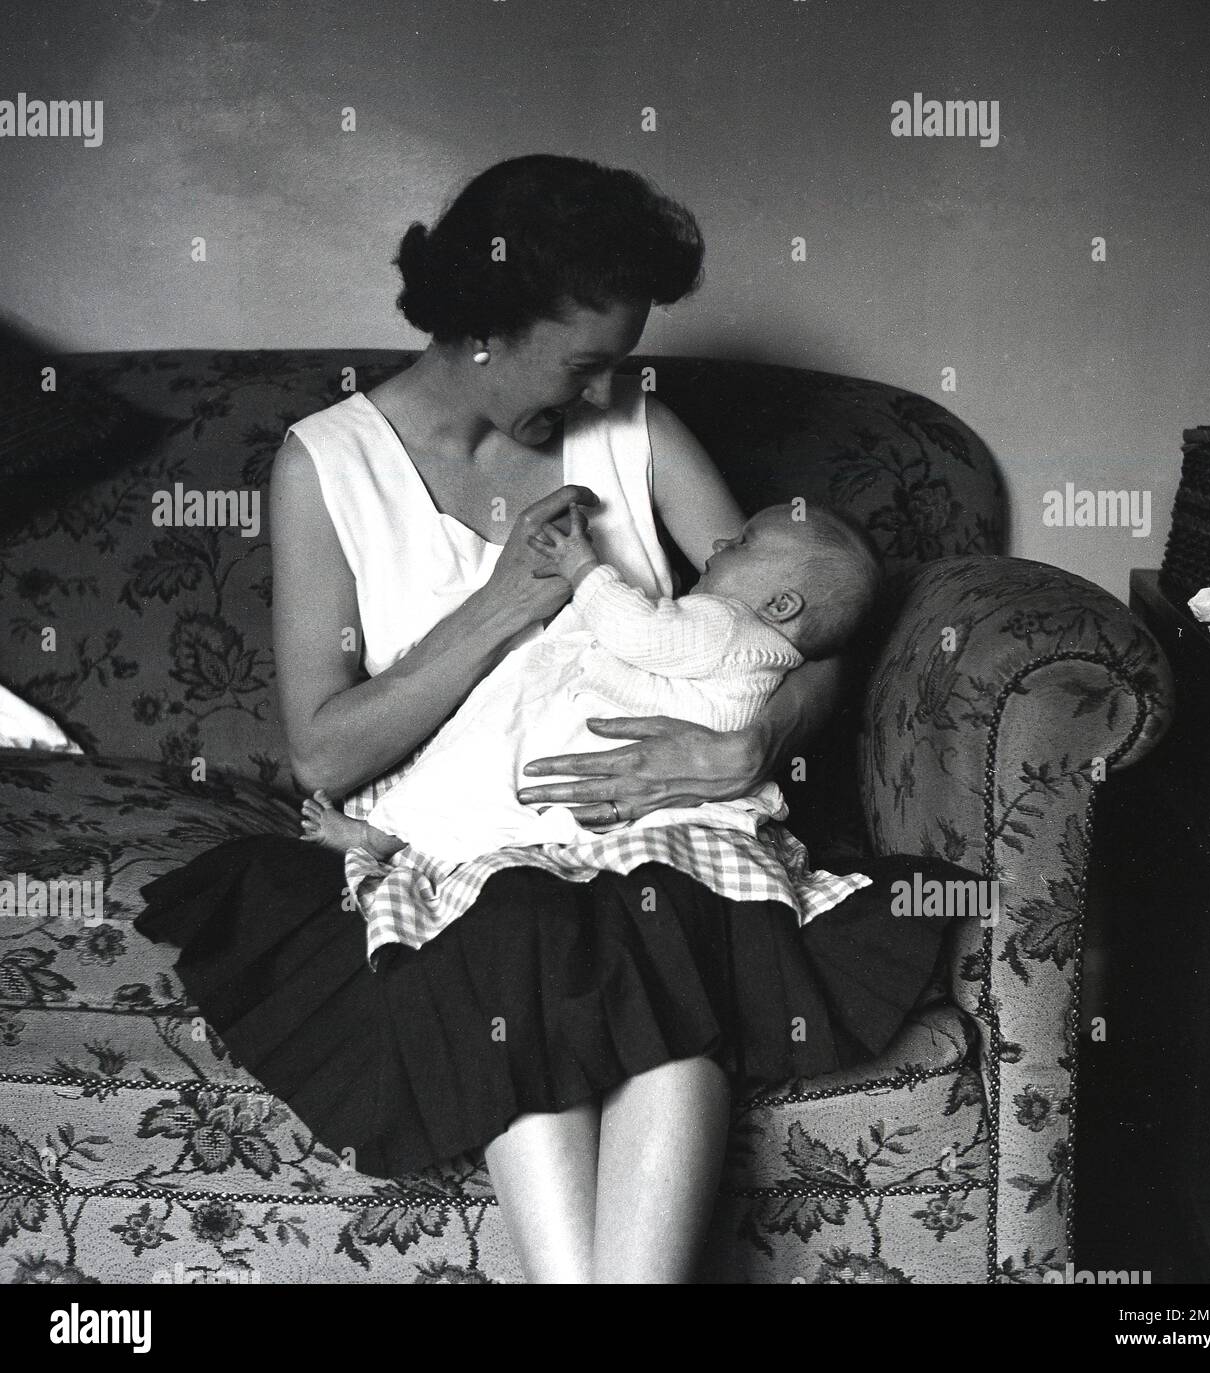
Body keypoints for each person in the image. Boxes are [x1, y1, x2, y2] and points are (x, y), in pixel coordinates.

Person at [137, 153, 974, 1284]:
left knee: (657, 966)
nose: (601, 390)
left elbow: (801, 639)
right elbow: (322, 752)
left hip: (650, 849)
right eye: (587, 360)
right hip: (465, 854)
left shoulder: (636, 428)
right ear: (488, 326)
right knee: (518, 957)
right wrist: (505, 604)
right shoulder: (326, 468)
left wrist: (750, 742)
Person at [298, 502, 879, 887]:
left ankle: (387, 834)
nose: (722, 539)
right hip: (640, 765)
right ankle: (400, 835)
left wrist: (584, 568)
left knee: (491, 766)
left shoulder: (726, 623)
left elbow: (638, 631)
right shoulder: (760, 645)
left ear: (781, 606)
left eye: (744, 542)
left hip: (608, 734)